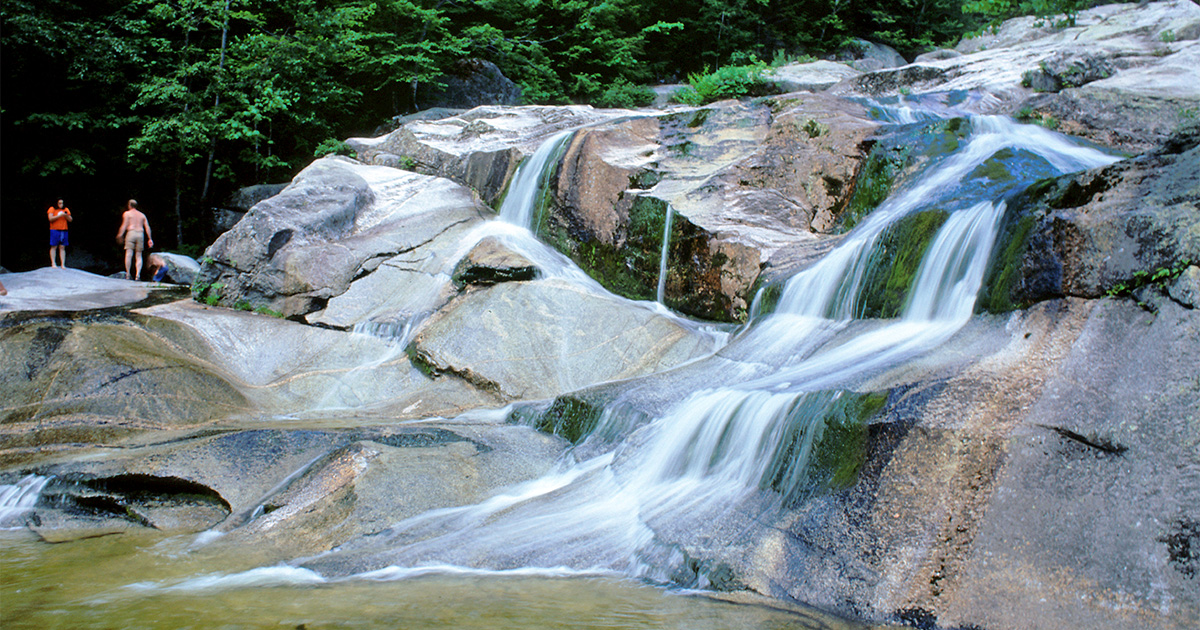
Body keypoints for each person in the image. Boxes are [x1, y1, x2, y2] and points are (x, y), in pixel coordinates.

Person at [116, 199, 154, 280]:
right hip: (140, 234)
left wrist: (120, 235)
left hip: (131, 233)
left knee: (129, 253)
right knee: (139, 255)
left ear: (129, 205)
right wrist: (150, 239)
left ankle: (128, 274)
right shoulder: (142, 215)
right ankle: (138, 275)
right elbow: (147, 227)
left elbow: (124, 225)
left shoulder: (127, 214)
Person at [47, 198, 72, 268]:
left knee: (62, 247)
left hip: (64, 230)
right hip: (54, 229)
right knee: (54, 246)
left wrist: (65, 215)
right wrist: (59, 216)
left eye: (62, 203)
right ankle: (53, 263)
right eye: (59, 203)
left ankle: (62, 264)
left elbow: (70, 219)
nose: (61, 205)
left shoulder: (66, 209)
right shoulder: (52, 209)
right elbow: (50, 218)